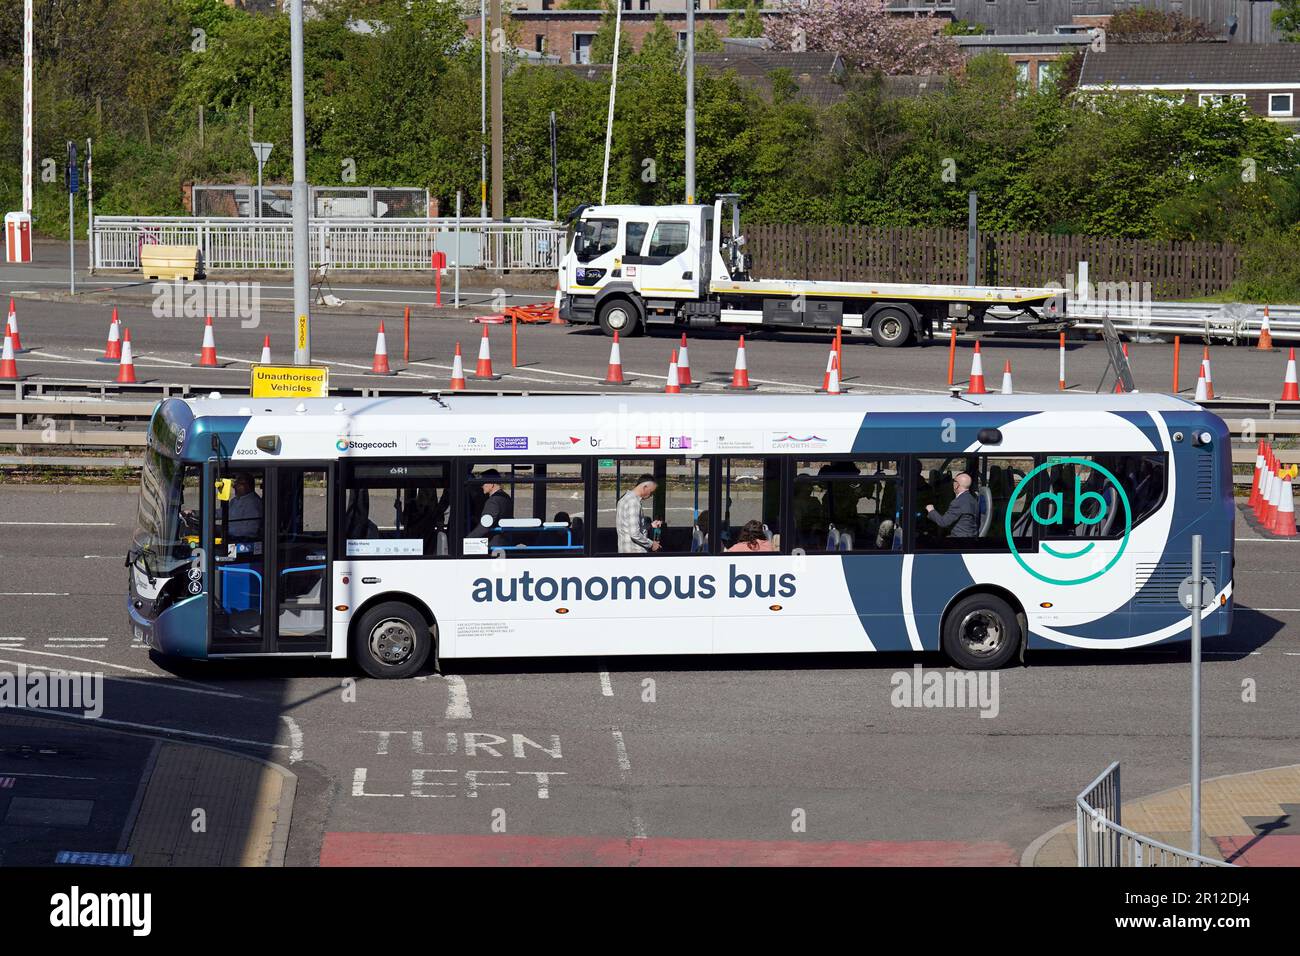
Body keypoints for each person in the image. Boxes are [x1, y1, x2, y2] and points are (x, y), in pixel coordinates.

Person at [617, 474, 662, 553]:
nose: (651, 495)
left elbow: (629, 526)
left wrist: (650, 526)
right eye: (651, 492)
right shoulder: (633, 502)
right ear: (645, 487)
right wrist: (652, 544)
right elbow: (635, 533)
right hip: (635, 552)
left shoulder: (625, 498)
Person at [926, 471, 978, 538]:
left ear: (957, 485)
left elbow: (943, 523)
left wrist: (931, 510)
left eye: (954, 481)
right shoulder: (973, 499)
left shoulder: (958, 502)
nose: (952, 483)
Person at [469, 469, 513, 538]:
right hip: (504, 538)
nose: (481, 486)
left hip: (494, 541)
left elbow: (485, 525)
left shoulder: (493, 501)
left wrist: (468, 539)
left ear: (491, 483)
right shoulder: (506, 497)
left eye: (483, 483)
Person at [228, 472, 263, 541]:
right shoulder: (234, 500)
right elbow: (224, 512)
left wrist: (226, 530)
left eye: (237, 484)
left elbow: (251, 529)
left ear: (247, 486)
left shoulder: (253, 502)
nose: (234, 487)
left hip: (244, 541)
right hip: (231, 537)